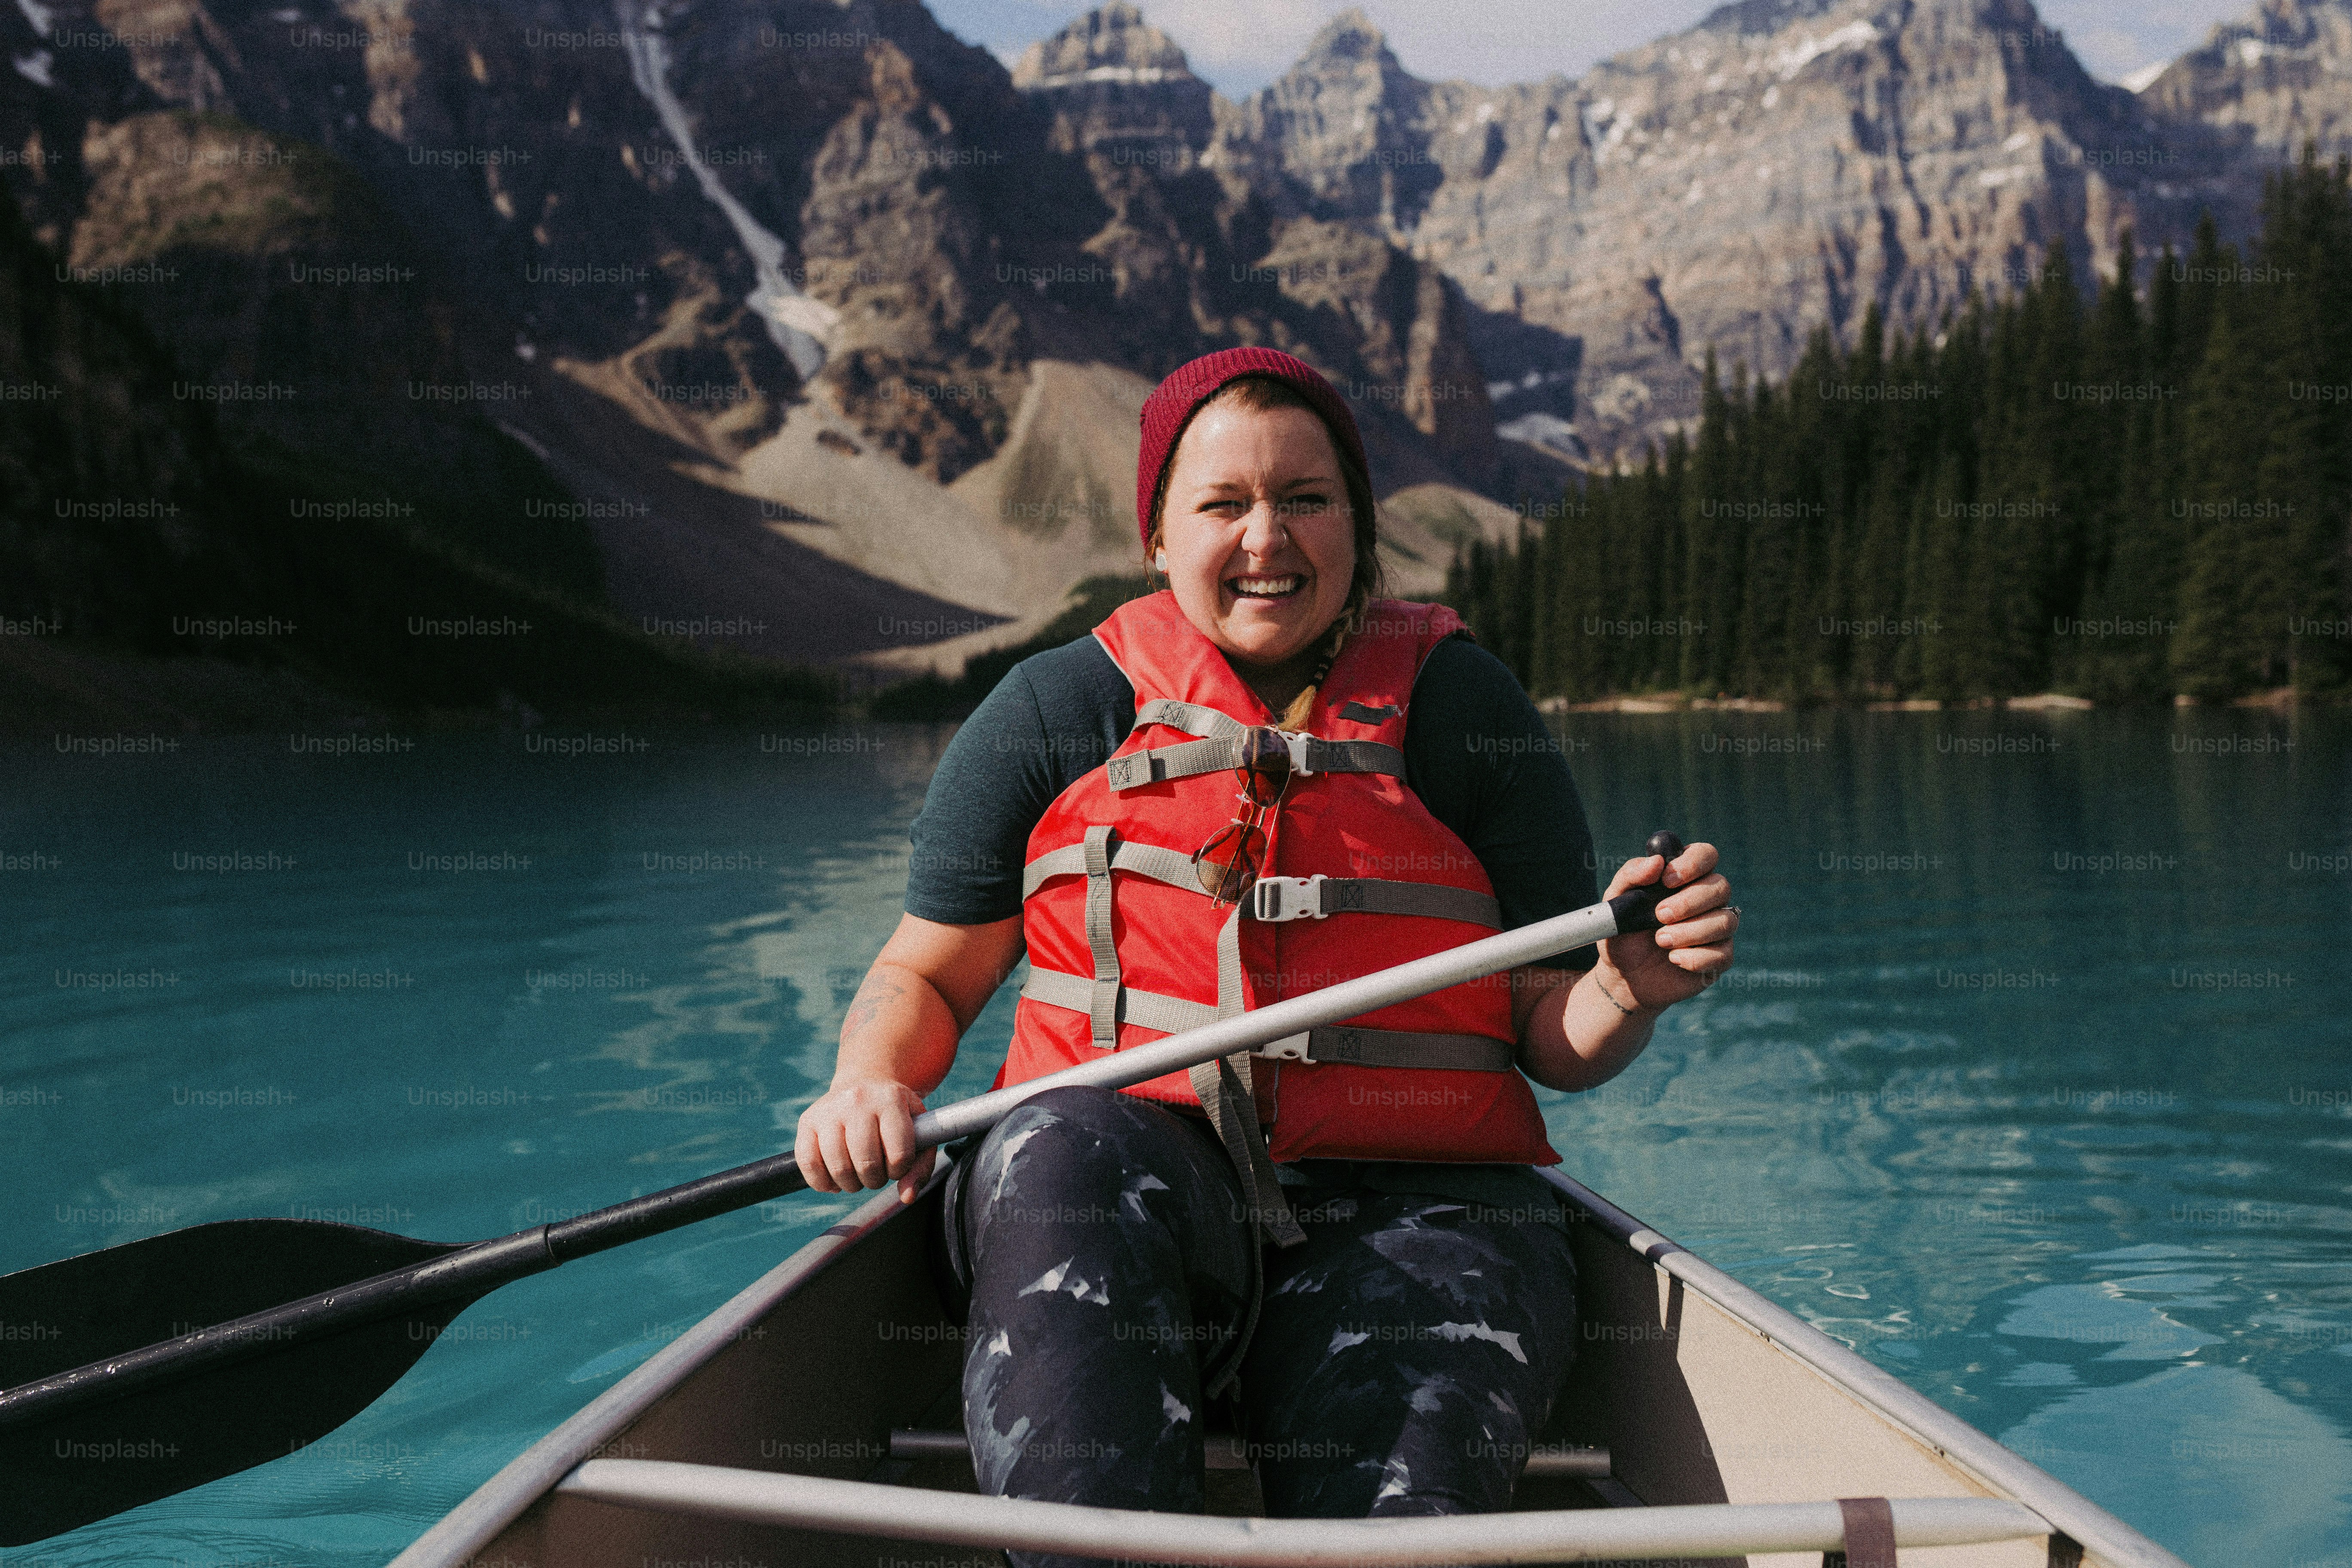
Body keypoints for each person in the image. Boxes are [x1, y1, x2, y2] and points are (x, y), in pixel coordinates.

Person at [796, 347, 1737, 1561]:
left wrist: (1626, 989)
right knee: (1055, 1145)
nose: (1267, 538)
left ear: (1356, 521)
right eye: (1224, 504)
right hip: (1125, 1192)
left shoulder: (1466, 708)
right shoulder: (1052, 710)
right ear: (1155, 536)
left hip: (1418, 1205)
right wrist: (873, 1079)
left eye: (1306, 499)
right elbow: (923, 975)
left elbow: (1552, 1037)